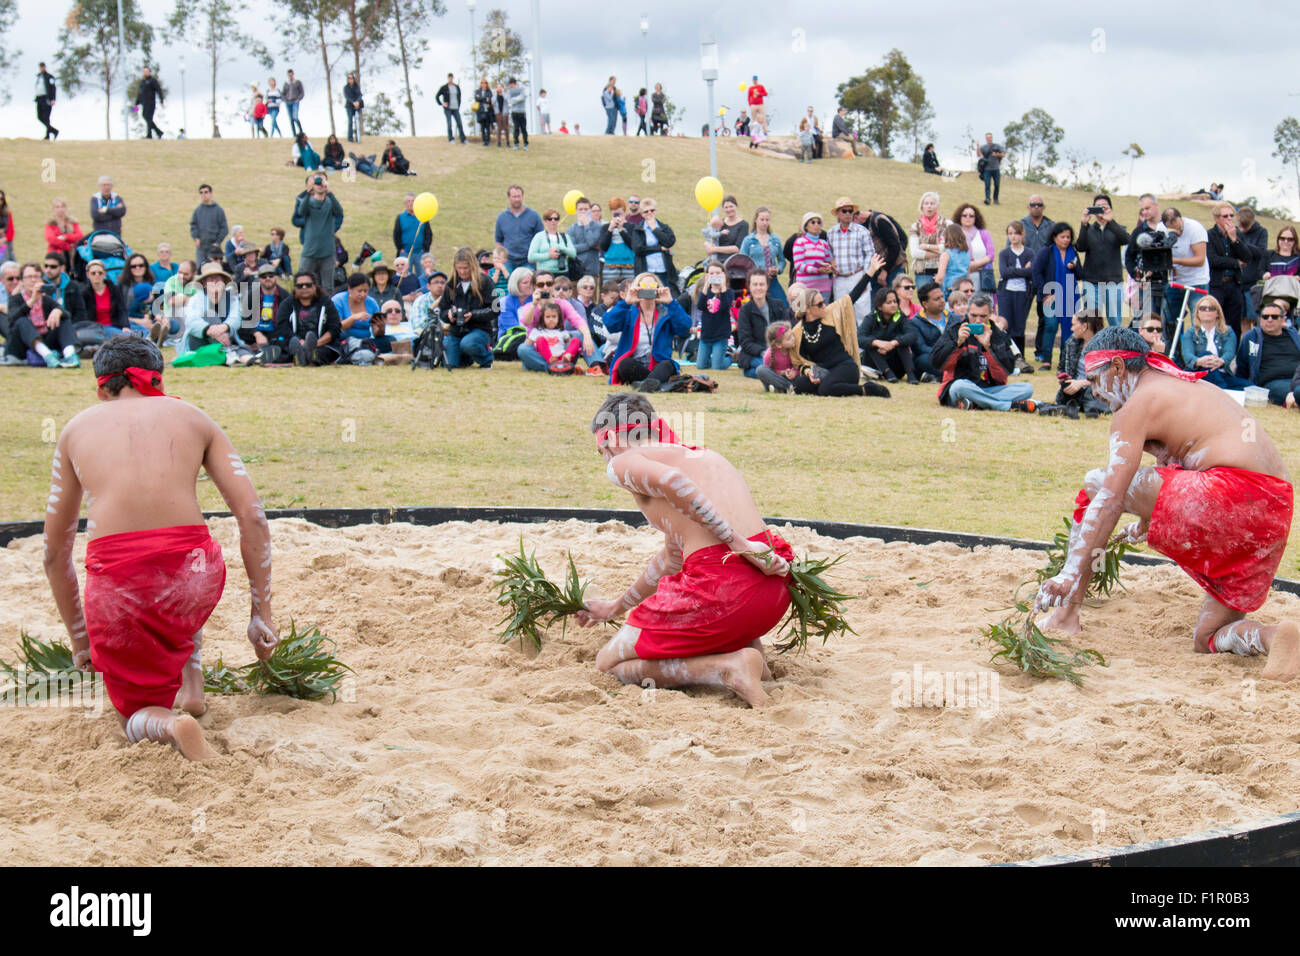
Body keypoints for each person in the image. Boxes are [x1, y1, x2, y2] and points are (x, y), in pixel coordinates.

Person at [41, 335, 276, 760]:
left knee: (133, 715)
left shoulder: (76, 429)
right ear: (158, 379)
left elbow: (54, 551)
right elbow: (253, 517)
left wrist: (81, 640)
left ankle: (170, 722)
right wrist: (261, 614)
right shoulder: (194, 417)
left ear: (100, 388)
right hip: (195, 574)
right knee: (177, 584)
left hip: (121, 583)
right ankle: (192, 687)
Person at [1036, 326, 1298, 684]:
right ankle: (1276, 639)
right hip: (1273, 515)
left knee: (1094, 485)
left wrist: (1068, 573)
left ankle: (1066, 614)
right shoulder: (1183, 385)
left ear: (1116, 368)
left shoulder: (1138, 405)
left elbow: (1112, 496)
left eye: (1095, 380)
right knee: (1208, 638)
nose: (1094, 393)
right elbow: (1178, 468)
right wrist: (1143, 523)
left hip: (1229, 493)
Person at [579, 391, 793, 707]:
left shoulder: (624, 462)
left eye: (602, 453)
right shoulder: (697, 454)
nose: (606, 461)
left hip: (727, 589)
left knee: (608, 663)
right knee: (703, 578)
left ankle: (727, 669)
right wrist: (614, 608)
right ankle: (751, 657)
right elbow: (671, 559)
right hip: (774, 590)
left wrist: (738, 543)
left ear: (608, 439)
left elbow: (673, 481)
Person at [931, 292, 1035, 412]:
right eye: (973, 315)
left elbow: (1007, 370)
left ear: (991, 314)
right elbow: (936, 363)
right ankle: (1005, 406)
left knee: (1027, 388)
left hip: (989, 389)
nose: (977, 320)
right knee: (959, 386)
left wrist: (988, 348)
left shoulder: (997, 335)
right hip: (963, 387)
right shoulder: (955, 330)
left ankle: (976, 403)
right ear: (967, 311)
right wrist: (957, 344)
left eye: (983, 316)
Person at [786, 279, 888, 397]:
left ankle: (866, 389)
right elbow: (799, 362)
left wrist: (870, 273)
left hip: (846, 366)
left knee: (825, 389)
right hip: (824, 372)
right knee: (798, 386)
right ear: (808, 309)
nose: (824, 306)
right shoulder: (798, 332)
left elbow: (850, 298)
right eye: (820, 304)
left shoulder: (830, 314)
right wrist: (810, 373)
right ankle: (832, 387)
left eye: (823, 302)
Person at [602, 273, 692, 388]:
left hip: (659, 364)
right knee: (624, 364)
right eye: (644, 285)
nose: (648, 289)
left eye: (652, 285)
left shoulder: (666, 312)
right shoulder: (629, 311)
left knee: (668, 365)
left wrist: (671, 303)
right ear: (637, 288)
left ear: (658, 289)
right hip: (636, 364)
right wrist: (626, 303)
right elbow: (610, 324)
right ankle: (651, 384)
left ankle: (644, 385)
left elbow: (684, 328)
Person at [2, 261, 77, 367]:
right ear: (22, 281)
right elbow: (12, 319)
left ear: (41, 279)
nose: (33, 280)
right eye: (29, 277)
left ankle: (70, 355)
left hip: (45, 340)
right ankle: (48, 356)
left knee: (63, 318)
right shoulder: (15, 299)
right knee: (21, 321)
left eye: (36, 277)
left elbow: (66, 314)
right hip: (22, 345)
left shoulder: (45, 298)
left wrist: (58, 311)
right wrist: (32, 301)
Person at [1074, 195, 1130, 326]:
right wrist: (1084, 224)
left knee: (1114, 320)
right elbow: (1080, 247)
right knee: (1092, 321)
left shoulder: (1117, 228)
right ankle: (1094, 346)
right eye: (1098, 206)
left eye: (1104, 206)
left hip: (1113, 282)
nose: (1101, 209)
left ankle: (1115, 345)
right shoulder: (1088, 229)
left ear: (1110, 208)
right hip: (1091, 282)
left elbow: (1127, 240)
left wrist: (1110, 221)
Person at [1032, 222, 1081, 369]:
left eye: (1068, 237)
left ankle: (1064, 361)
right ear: (1054, 237)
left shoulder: (1073, 253)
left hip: (1070, 296)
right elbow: (1036, 273)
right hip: (1051, 295)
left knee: (1068, 328)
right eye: (1062, 237)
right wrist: (1045, 293)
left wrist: (1075, 267)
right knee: (1051, 326)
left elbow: (1081, 274)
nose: (1066, 240)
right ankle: (1046, 360)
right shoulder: (1046, 252)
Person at [1178, 295, 1252, 391]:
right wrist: (1199, 361)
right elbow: (1187, 355)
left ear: (1218, 313)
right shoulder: (1190, 332)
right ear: (1197, 313)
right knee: (1207, 355)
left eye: (1211, 308)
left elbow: (1229, 352)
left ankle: (1219, 389)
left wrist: (1221, 361)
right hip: (1196, 374)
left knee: (1249, 386)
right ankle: (1222, 390)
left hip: (1219, 373)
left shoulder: (1227, 331)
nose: (1207, 311)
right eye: (1203, 308)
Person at [438, 248, 496, 369]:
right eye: (459, 268)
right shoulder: (451, 285)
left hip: (479, 329)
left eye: (466, 268)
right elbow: (442, 309)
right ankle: (467, 357)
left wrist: (473, 315)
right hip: (456, 330)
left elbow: (495, 309)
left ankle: (486, 359)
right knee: (449, 364)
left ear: (473, 266)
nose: (462, 272)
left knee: (468, 344)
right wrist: (448, 316)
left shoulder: (485, 282)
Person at [1206, 203, 1258, 338]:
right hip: (1217, 284)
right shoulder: (1210, 235)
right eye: (1225, 216)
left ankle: (1234, 355)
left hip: (1234, 284)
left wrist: (1234, 240)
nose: (1229, 219)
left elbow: (1247, 256)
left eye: (1231, 216)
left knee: (1235, 323)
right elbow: (1213, 260)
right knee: (1215, 320)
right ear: (1217, 218)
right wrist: (1236, 263)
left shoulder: (1236, 234)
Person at [272, 271, 342, 366]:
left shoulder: (326, 303)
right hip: (294, 343)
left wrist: (315, 343)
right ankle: (302, 356)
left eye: (308, 285)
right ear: (295, 288)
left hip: (321, 344)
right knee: (283, 349)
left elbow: (335, 328)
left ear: (315, 286)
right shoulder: (287, 304)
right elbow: (282, 328)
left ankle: (309, 356)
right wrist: (300, 342)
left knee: (323, 353)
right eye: (300, 286)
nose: (304, 288)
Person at [1237, 301, 1300, 406]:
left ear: (1283, 320)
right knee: (1297, 393)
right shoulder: (1252, 338)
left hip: (1297, 379)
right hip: (1273, 383)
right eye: (1265, 317)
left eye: (1274, 317)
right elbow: (1241, 366)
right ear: (1260, 319)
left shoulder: (1293, 336)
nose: (1269, 320)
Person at [292, 172, 344, 298]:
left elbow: (339, 212)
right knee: (302, 282)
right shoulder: (308, 201)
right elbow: (301, 211)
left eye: (322, 181)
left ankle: (327, 313)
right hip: (310, 251)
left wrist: (329, 192)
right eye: (317, 182)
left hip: (327, 252)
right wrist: (308, 192)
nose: (320, 184)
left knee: (328, 287)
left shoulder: (330, 202)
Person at [178, 261, 243, 357]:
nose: (214, 282)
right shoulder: (196, 298)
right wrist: (210, 330)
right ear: (204, 284)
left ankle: (225, 352)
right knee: (210, 314)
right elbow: (191, 322)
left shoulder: (232, 298)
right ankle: (226, 353)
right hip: (200, 342)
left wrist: (223, 327)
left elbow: (236, 319)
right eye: (211, 279)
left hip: (226, 338)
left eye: (217, 279)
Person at [1051, 309, 1109, 417]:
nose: (1071, 328)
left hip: (1095, 389)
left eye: (1073, 325)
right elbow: (1061, 368)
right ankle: (1080, 406)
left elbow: (1108, 377)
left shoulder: (1105, 346)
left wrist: (1082, 383)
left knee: (1091, 392)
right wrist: (1063, 378)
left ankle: (1084, 406)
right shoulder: (1071, 343)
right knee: (1068, 391)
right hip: (1075, 389)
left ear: (1084, 326)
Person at [1161, 207, 1210, 329]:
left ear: (1181, 219)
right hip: (1175, 282)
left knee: (1199, 320)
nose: (1176, 232)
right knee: (1169, 320)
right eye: (1172, 229)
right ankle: (1173, 346)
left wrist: (1174, 261)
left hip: (1196, 281)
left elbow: (1200, 260)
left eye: (1178, 228)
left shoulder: (1195, 228)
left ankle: (1199, 346)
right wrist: (1168, 265)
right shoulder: (1160, 229)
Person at [825, 198, 873, 321]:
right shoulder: (831, 233)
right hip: (839, 278)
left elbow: (870, 254)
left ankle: (863, 340)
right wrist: (831, 263)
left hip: (857, 275)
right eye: (844, 211)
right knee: (840, 315)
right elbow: (828, 253)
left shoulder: (862, 231)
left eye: (850, 211)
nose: (848, 214)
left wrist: (865, 275)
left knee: (862, 314)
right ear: (837, 213)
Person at [859, 285, 918, 384]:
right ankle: (887, 373)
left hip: (896, 364)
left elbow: (912, 334)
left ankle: (911, 374)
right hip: (875, 366)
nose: (893, 305)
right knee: (871, 343)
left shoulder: (901, 317)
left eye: (895, 302)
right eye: (889, 302)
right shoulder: (870, 318)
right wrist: (877, 343)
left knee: (901, 342)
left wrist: (893, 343)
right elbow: (859, 338)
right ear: (879, 306)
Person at [736, 271, 788, 379]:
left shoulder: (778, 305)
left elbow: (787, 330)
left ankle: (754, 372)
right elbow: (745, 341)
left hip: (779, 352)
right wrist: (764, 352)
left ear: (767, 286)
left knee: (771, 367)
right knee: (766, 366)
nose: (758, 288)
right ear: (749, 286)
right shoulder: (745, 311)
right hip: (755, 354)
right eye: (755, 284)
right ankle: (777, 375)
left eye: (761, 284)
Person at [998, 221, 1034, 356]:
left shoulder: (1029, 253)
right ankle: (1006, 355)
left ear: (1022, 234)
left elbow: (1031, 272)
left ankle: (1020, 355)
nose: (1013, 237)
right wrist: (1022, 270)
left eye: (1016, 233)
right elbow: (1004, 272)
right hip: (1006, 293)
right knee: (1006, 324)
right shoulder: (1004, 253)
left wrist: (1013, 270)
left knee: (1019, 326)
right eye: (1010, 234)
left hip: (1022, 293)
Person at [691, 261, 734, 372]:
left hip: (720, 335)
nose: (715, 276)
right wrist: (706, 285)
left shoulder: (729, 292)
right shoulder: (706, 293)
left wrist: (723, 286)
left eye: (718, 273)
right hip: (706, 334)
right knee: (701, 365)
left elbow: (725, 307)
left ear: (724, 274)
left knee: (717, 367)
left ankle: (729, 358)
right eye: (711, 273)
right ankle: (715, 359)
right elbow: (700, 306)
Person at [739, 206, 787, 304]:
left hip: (772, 281)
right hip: (755, 282)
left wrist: (777, 269)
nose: (765, 222)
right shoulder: (748, 240)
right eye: (762, 219)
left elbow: (782, 261)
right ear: (756, 220)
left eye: (767, 220)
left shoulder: (775, 239)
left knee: (783, 305)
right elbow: (742, 261)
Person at [627, 199, 677, 289]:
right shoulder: (638, 229)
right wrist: (659, 248)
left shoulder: (664, 227)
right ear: (642, 214)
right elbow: (638, 249)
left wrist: (654, 229)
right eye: (646, 211)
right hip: (645, 269)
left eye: (652, 210)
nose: (649, 213)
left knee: (663, 295)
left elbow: (669, 242)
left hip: (663, 268)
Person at [494, 185, 544, 274]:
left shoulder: (533, 216)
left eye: (519, 196)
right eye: (514, 197)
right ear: (508, 198)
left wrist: (535, 257)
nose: (517, 199)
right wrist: (499, 260)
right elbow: (498, 241)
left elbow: (541, 238)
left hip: (528, 261)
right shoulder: (502, 217)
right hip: (508, 262)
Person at [79, 257, 129, 340]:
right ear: (88, 275)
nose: (97, 275)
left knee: (136, 328)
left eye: (100, 273)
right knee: (124, 336)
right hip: (97, 328)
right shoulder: (84, 293)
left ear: (105, 274)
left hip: (115, 324)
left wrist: (125, 325)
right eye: (93, 273)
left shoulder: (114, 289)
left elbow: (121, 309)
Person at [908, 192, 948, 287]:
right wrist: (939, 252)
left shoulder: (946, 224)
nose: (929, 206)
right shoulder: (915, 226)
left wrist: (926, 246)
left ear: (937, 206)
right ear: (922, 206)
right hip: (923, 272)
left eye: (932, 203)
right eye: (926, 203)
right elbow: (915, 253)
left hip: (943, 271)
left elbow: (948, 248)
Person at [792, 212, 834, 298]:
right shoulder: (800, 242)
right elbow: (798, 265)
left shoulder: (823, 243)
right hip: (805, 287)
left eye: (818, 223)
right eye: (813, 222)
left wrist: (828, 268)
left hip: (823, 287)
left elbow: (828, 261)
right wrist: (817, 270)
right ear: (806, 226)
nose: (816, 225)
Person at [528, 208, 578, 276]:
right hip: (544, 274)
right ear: (545, 221)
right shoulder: (539, 236)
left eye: (556, 219)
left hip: (562, 273)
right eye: (550, 219)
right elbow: (531, 257)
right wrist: (549, 255)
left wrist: (561, 248)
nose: (553, 221)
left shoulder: (565, 237)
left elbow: (573, 254)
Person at [392, 193, 431, 279]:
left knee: (422, 276)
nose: (411, 203)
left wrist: (425, 250)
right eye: (408, 201)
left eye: (413, 201)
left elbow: (428, 234)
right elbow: (396, 234)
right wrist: (400, 249)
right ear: (405, 204)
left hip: (420, 253)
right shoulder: (401, 218)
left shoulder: (423, 217)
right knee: (405, 277)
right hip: (405, 252)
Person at [189, 184, 228, 267]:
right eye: (201, 193)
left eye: (206, 192)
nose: (204, 194)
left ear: (211, 193)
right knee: (201, 268)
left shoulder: (218, 210)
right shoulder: (197, 211)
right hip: (201, 247)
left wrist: (218, 242)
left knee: (215, 268)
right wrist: (196, 238)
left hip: (214, 247)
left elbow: (224, 228)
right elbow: (193, 225)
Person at [566, 197, 603, 279]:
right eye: (580, 209)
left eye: (586, 209)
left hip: (592, 271)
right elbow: (572, 248)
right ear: (576, 211)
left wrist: (586, 225)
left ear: (590, 211)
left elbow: (591, 242)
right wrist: (590, 246)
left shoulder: (597, 227)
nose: (583, 212)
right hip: (576, 270)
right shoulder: (571, 229)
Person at [757, 322, 798, 392]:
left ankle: (784, 388)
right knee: (760, 370)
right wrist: (783, 372)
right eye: (789, 339)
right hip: (777, 379)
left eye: (792, 336)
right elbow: (769, 372)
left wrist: (794, 372)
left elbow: (799, 366)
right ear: (779, 344)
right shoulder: (769, 354)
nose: (793, 339)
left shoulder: (794, 349)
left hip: (791, 378)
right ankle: (787, 387)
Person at [705, 196, 748, 261]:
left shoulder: (743, 225)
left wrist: (714, 249)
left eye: (731, 206)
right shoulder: (719, 223)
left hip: (733, 262)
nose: (728, 209)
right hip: (716, 261)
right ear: (723, 209)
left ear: (736, 206)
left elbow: (737, 248)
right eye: (726, 207)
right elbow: (711, 237)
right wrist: (707, 245)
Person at [44, 199, 83, 270]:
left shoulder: (72, 222)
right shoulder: (50, 223)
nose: (60, 209)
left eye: (62, 206)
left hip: (73, 254)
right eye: (57, 207)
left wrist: (66, 237)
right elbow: (51, 239)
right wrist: (68, 246)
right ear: (53, 209)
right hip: (56, 254)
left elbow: (79, 236)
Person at [934, 224, 970, 296]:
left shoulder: (946, 254)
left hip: (950, 289)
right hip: (963, 288)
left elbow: (940, 276)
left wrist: (936, 281)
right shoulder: (966, 254)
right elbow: (968, 272)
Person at [133, 66, 165, 139]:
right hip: (144, 103)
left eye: (146, 71)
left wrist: (161, 100)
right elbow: (140, 94)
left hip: (151, 103)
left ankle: (149, 135)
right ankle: (159, 132)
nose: (145, 73)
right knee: (145, 117)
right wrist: (136, 103)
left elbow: (158, 90)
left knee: (149, 118)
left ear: (149, 72)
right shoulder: (142, 82)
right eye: (144, 71)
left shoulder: (152, 81)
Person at [436, 73, 466, 144]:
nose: (450, 79)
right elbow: (437, 96)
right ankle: (451, 139)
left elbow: (459, 97)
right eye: (449, 78)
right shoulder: (444, 87)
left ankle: (463, 139)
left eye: (451, 78)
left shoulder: (457, 87)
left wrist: (459, 105)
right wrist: (442, 103)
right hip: (448, 108)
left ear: (453, 78)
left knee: (459, 123)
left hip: (455, 108)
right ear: (448, 78)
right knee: (449, 123)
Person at [979, 132, 1005, 205]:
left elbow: (1003, 154)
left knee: (997, 185)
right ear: (986, 139)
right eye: (987, 138)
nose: (989, 139)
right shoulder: (983, 147)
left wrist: (997, 154)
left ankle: (995, 199)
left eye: (990, 137)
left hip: (996, 168)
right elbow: (978, 155)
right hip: (987, 169)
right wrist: (977, 146)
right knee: (987, 185)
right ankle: (987, 199)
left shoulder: (997, 146)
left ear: (992, 138)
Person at [36, 62, 58, 140]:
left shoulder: (49, 77)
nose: (42, 68)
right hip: (39, 99)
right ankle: (53, 131)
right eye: (40, 67)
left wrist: (53, 99)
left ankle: (47, 135)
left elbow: (53, 88)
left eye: (43, 67)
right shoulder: (38, 77)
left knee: (46, 117)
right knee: (39, 116)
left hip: (46, 99)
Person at [506, 77, 528, 150]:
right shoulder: (509, 91)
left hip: (522, 112)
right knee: (516, 128)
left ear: (513, 83)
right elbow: (509, 100)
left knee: (523, 129)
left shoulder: (521, 89)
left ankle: (525, 143)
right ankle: (516, 143)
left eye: (510, 84)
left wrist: (514, 100)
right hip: (514, 112)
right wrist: (515, 100)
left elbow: (522, 97)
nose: (510, 86)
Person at [473, 79, 495, 146]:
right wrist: (485, 98)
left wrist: (482, 98)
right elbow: (476, 99)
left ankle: (488, 141)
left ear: (487, 84)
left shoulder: (489, 91)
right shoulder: (477, 91)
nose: (483, 84)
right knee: (482, 126)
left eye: (485, 83)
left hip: (487, 111)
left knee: (487, 126)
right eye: (482, 83)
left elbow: (490, 100)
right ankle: (484, 140)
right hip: (480, 111)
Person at [283, 69, 304, 136]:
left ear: (293, 74)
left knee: (295, 117)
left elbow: (302, 92)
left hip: (295, 101)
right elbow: (283, 93)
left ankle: (301, 132)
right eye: (289, 75)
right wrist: (285, 100)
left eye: (291, 74)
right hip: (288, 102)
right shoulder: (286, 83)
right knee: (291, 119)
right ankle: (294, 134)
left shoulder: (297, 82)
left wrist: (298, 99)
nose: (290, 76)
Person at [343, 73, 363, 143]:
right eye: (349, 78)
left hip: (357, 106)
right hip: (349, 106)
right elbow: (346, 96)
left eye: (351, 78)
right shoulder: (346, 88)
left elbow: (360, 95)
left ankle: (358, 138)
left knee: (357, 121)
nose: (350, 79)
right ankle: (350, 138)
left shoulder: (356, 87)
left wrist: (357, 102)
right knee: (350, 121)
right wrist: (353, 102)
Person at [493, 82, 509, 147]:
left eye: (500, 87)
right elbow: (493, 101)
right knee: (499, 127)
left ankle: (507, 141)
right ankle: (499, 142)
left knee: (506, 127)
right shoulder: (495, 95)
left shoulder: (505, 94)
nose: (499, 88)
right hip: (498, 112)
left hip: (505, 112)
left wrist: (503, 93)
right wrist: (495, 93)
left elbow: (507, 99)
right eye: (498, 87)